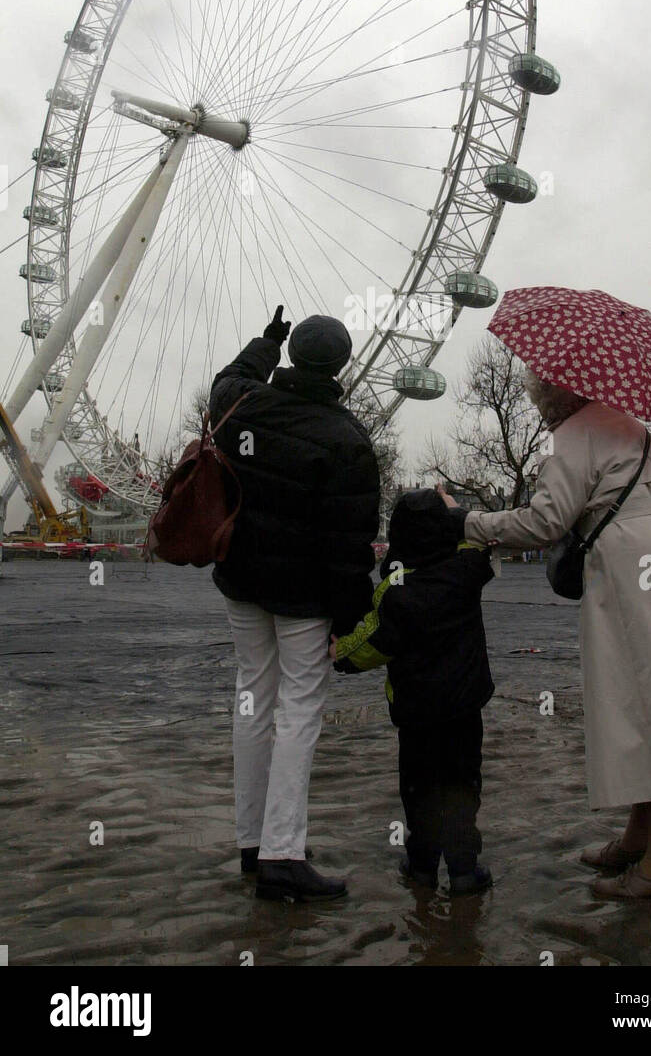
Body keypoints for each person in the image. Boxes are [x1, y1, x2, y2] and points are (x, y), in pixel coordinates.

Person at [439, 369, 651, 901]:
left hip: (630, 565)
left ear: (554, 395)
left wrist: (466, 521)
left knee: (649, 700)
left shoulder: (574, 433)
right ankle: (640, 836)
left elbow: (544, 523)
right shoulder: (631, 424)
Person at [209, 307, 380, 902]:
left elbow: (227, 376)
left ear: (293, 356)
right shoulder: (347, 439)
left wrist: (265, 342)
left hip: (241, 582)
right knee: (299, 712)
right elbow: (349, 547)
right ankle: (283, 853)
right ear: (341, 366)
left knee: (252, 703)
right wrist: (354, 619)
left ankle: (252, 844)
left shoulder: (240, 404)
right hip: (304, 599)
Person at [332, 488, 495, 896]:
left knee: (419, 788)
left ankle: (422, 865)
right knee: (462, 784)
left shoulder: (394, 592)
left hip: (417, 714)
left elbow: (372, 643)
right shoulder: (468, 570)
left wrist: (341, 655)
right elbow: (479, 539)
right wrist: (455, 511)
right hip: (464, 709)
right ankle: (463, 870)